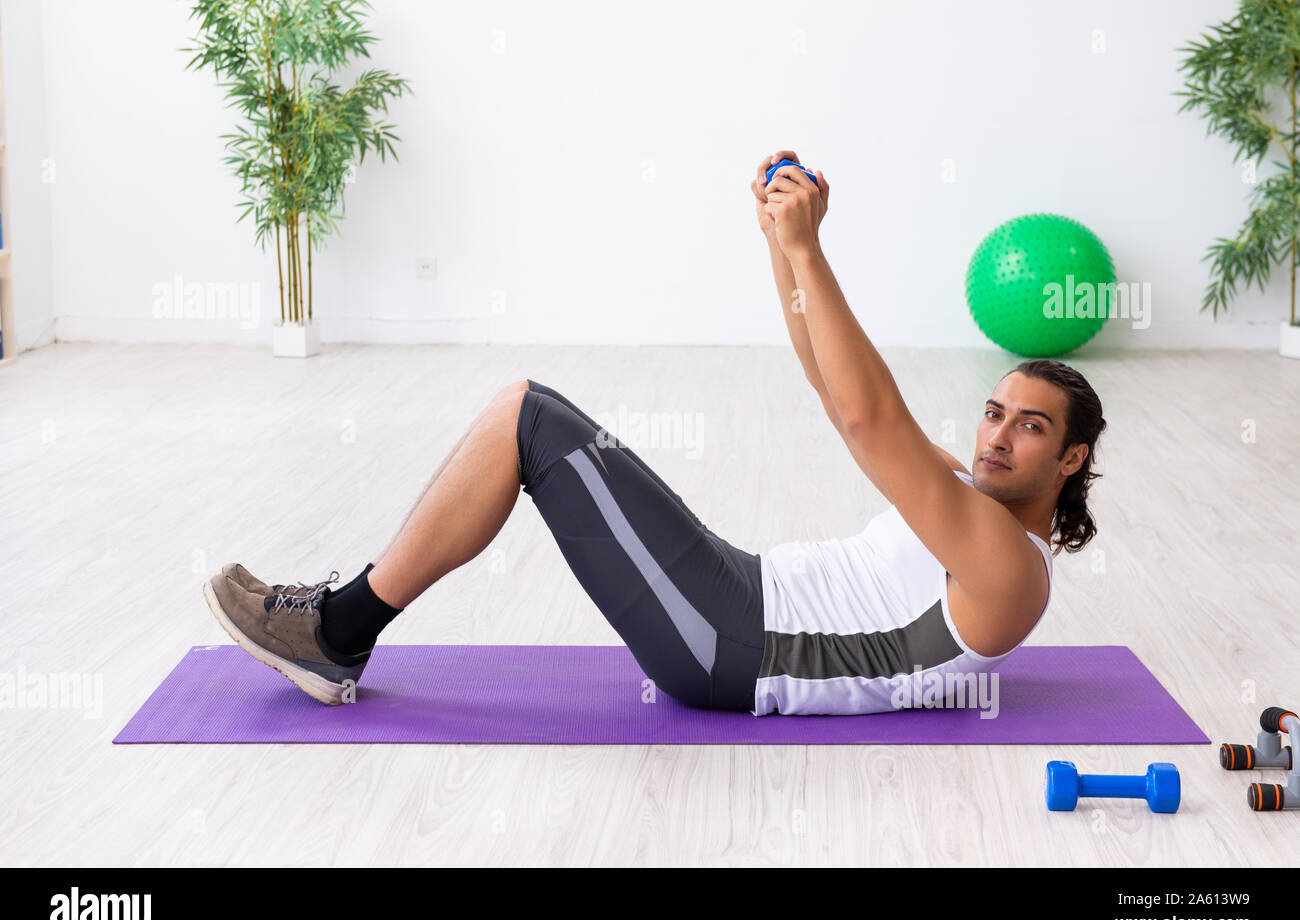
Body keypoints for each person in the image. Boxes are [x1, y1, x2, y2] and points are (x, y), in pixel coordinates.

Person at [203, 149, 1106, 715]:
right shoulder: (974, 509)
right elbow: (840, 397)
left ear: (1072, 458)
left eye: (1029, 428)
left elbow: (873, 419)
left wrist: (809, 248)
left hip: (729, 644)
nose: (996, 437)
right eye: (993, 412)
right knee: (535, 415)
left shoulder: (1009, 570)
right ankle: (338, 627)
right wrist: (775, 240)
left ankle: (336, 632)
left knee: (529, 415)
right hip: (736, 594)